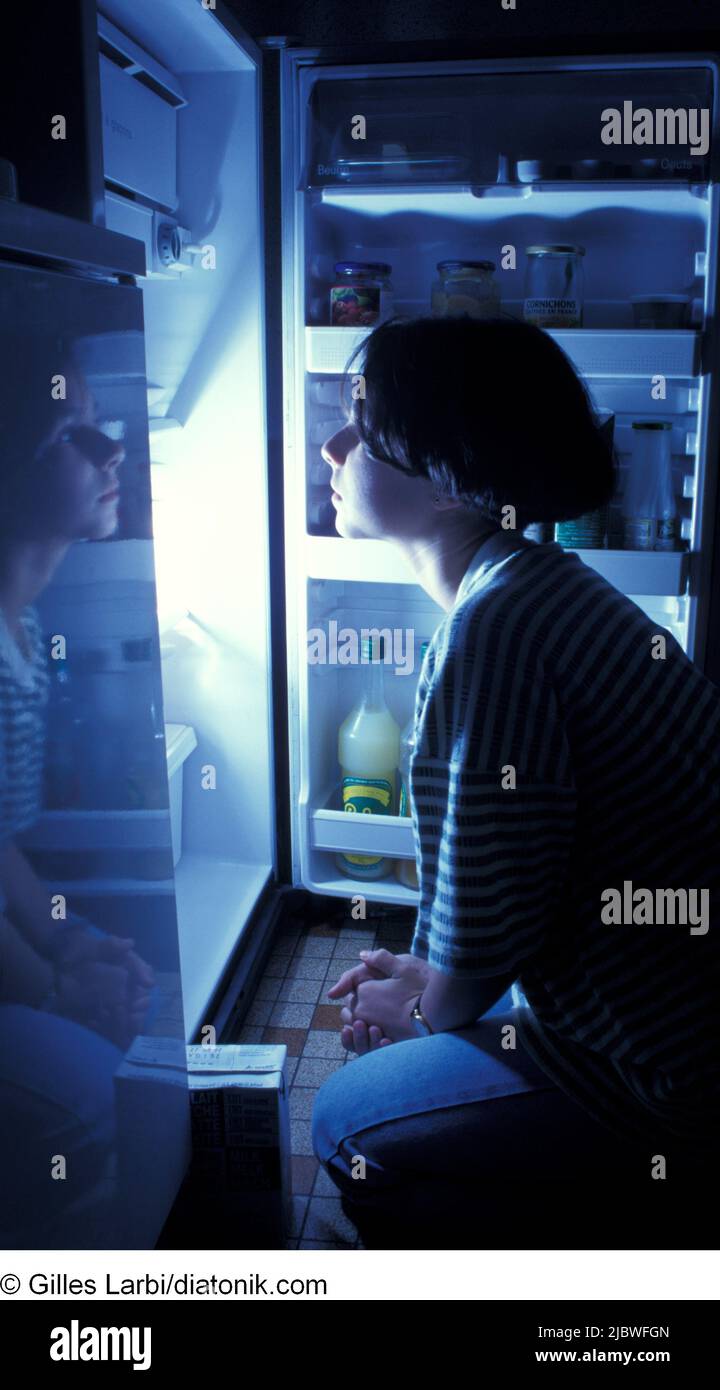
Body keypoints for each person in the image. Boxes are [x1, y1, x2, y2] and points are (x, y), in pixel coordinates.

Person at [311, 315, 720, 1249]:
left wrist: (423, 1009)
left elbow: (493, 918)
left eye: (364, 425)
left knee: (349, 1124)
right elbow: (516, 887)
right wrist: (439, 982)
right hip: (664, 1008)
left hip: (667, 1071)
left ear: (455, 473)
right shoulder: (537, 584)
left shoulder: (497, 627)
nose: (334, 446)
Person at [0, 333, 155, 1239]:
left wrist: (68, 946)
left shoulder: (23, 620)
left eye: (105, 428)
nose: (112, 453)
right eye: (75, 432)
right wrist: (55, 992)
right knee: (98, 1101)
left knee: (119, 972)